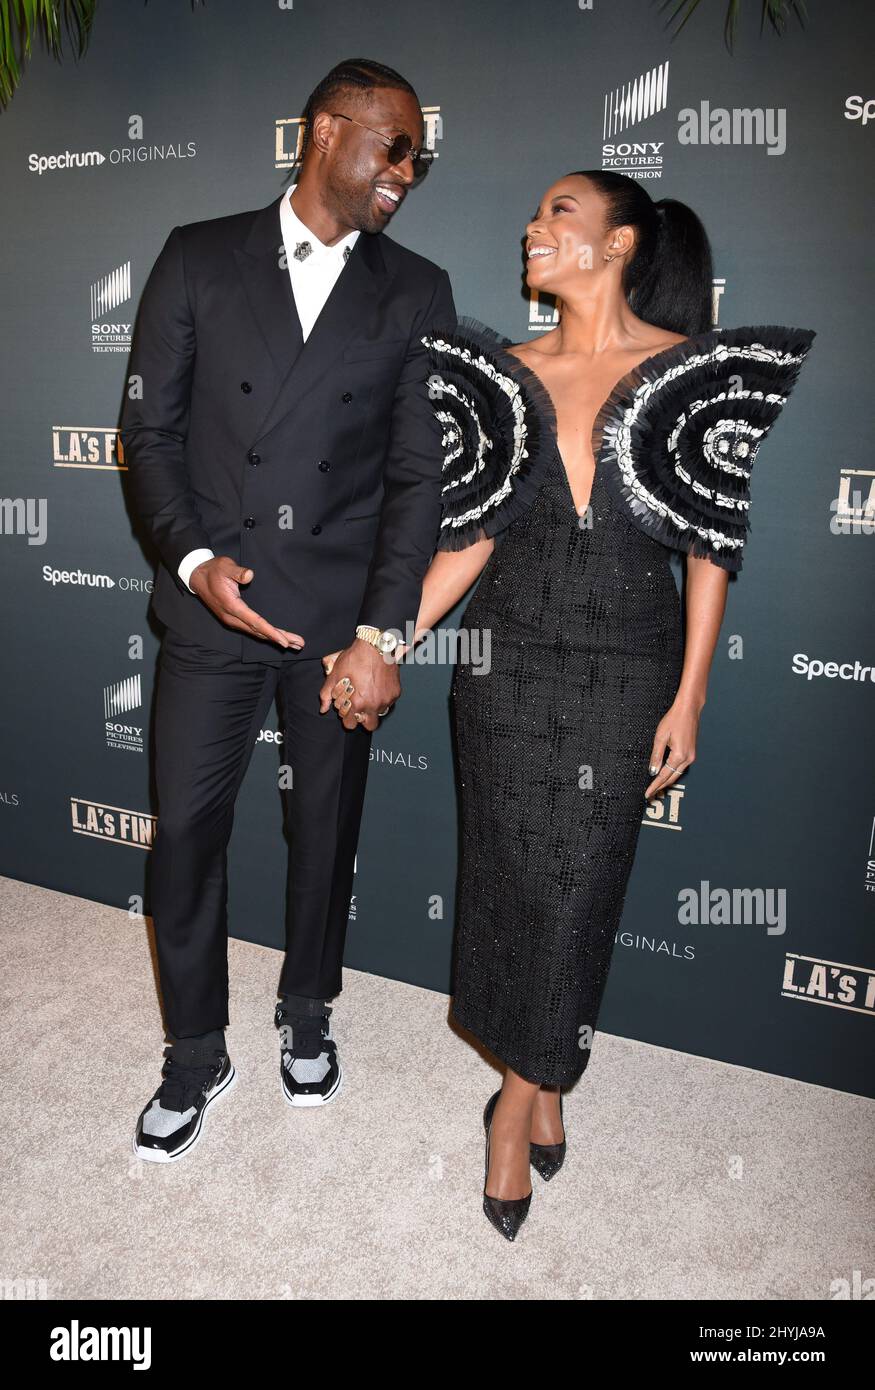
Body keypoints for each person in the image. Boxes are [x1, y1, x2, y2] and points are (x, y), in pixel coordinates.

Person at [408, 170, 814, 1238]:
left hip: (625, 676)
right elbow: (473, 537)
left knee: (577, 894)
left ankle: (516, 1096)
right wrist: (386, 636)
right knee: (505, 888)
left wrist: (688, 695)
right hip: (501, 674)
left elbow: (708, 553)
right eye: (533, 209)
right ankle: (531, 1091)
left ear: (620, 244)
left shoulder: (686, 375)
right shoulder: (505, 371)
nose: (531, 226)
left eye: (557, 214)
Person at [120, 57, 455, 1162]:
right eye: (392, 144)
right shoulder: (196, 255)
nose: (407, 168)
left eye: (418, 154)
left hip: (335, 622)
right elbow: (150, 436)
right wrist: (192, 558)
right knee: (185, 839)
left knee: (324, 832)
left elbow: (416, 479)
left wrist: (381, 630)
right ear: (323, 133)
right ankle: (193, 1050)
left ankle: (306, 1011)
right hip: (210, 608)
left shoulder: (414, 289)